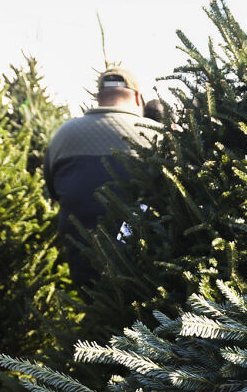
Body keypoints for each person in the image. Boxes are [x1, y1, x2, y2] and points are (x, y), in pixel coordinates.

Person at [42, 64, 166, 281]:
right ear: (138, 99)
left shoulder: (63, 135)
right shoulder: (156, 136)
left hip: (83, 266)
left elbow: (53, 191)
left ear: (98, 97)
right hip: (146, 271)